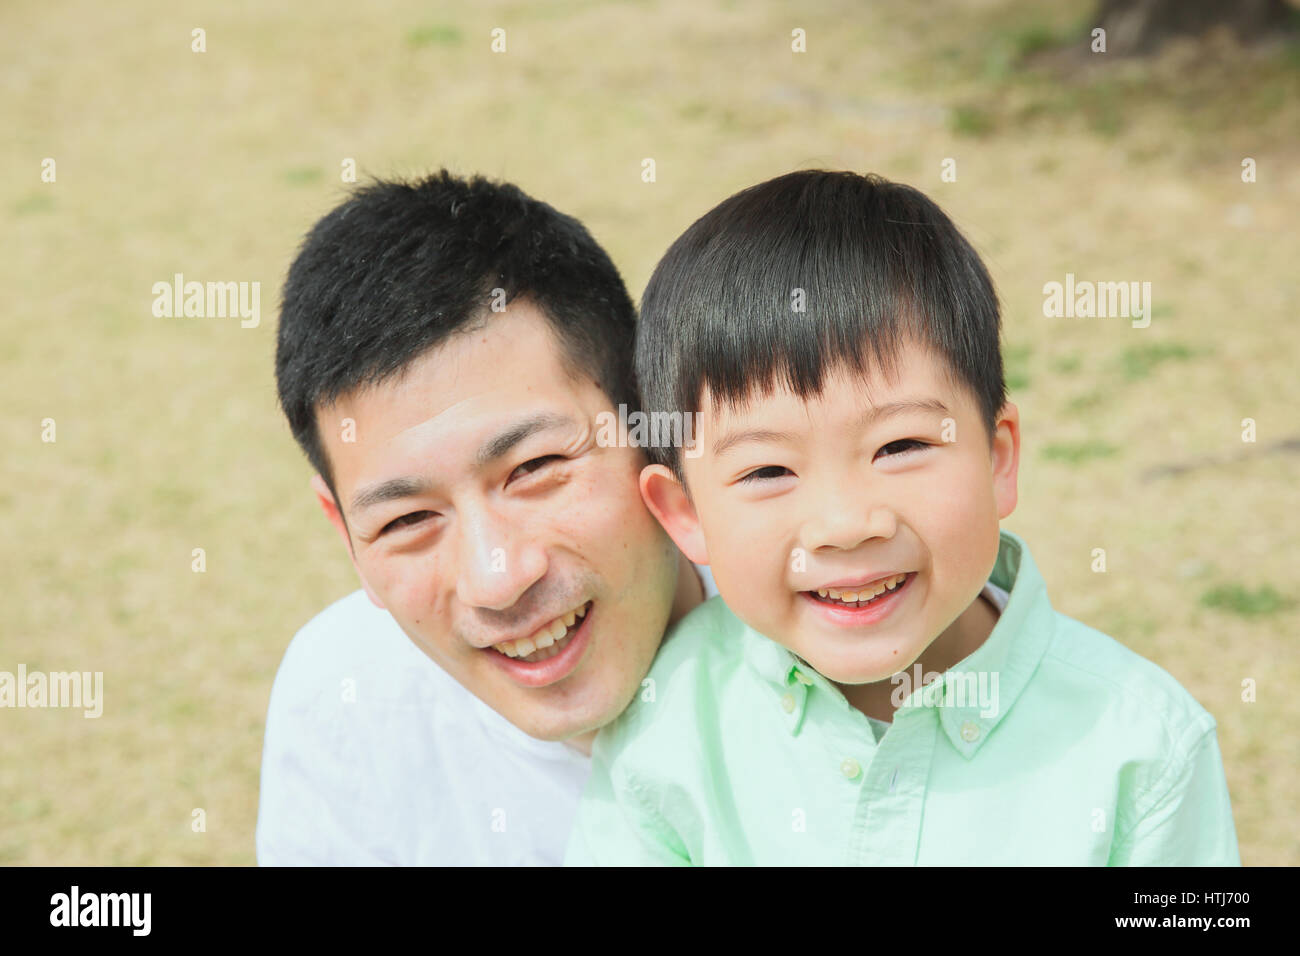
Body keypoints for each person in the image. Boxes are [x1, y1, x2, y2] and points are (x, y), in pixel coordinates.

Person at [566, 170, 1241, 865]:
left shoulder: (1142, 748)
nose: (846, 522)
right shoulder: (669, 716)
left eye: (901, 446)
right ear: (686, 514)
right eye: (768, 470)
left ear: (997, 458)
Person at [258, 171, 712, 865]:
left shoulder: (848, 627)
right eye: (407, 520)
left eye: (533, 469)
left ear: (653, 424)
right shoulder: (342, 700)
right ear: (344, 532)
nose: (497, 581)